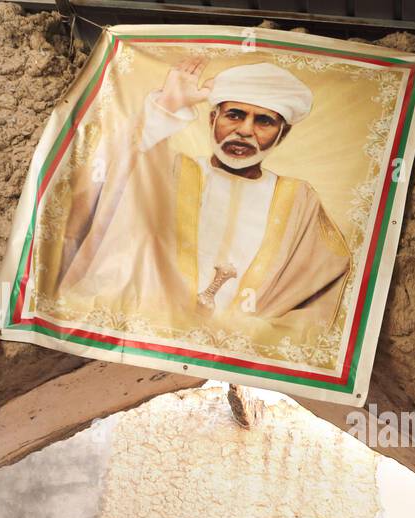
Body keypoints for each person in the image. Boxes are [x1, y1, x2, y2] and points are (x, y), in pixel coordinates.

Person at [55, 58, 350, 349]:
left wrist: (249, 330)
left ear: (282, 134)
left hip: (240, 351)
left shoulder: (299, 199)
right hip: (153, 336)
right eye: (234, 115)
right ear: (213, 119)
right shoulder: (171, 172)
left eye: (263, 121)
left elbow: (322, 285)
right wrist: (166, 108)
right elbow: (111, 178)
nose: (245, 130)